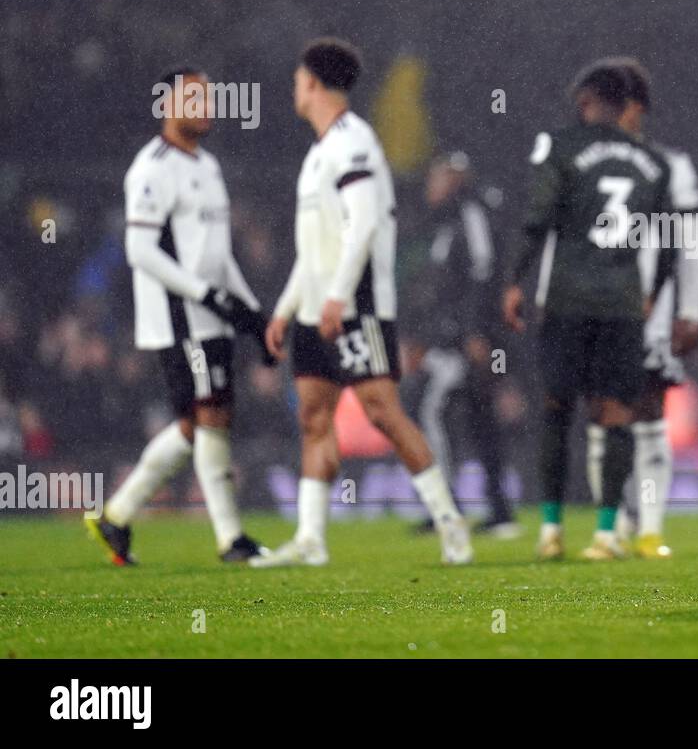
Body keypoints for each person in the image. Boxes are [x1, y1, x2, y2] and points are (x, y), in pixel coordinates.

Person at [252, 38, 472, 567]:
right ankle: (310, 539)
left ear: (312, 83)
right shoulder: (318, 154)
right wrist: (284, 309)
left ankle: (450, 523)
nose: (293, 89)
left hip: (358, 305)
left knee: (384, 412)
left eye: (297, 79)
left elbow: (364, 223)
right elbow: (313, 249)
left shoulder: (355, 143)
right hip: (315, 310)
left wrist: (339, 295)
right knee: (314, 419)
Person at [89, 67, 270, 565]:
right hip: (178, 319)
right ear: (167, 105)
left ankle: (117, 515)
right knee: (210, 415)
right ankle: (231, 539)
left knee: (198, 423)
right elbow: (140, 250)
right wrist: (204, 295)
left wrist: (251, 312)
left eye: (209, 97)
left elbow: (219, 254)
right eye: (194, 97)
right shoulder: (152, 167)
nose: (206, 105)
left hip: (209, 315)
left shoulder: (209, 166)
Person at [503, 59, 672, 561]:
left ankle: (551, 530)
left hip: (568, 299)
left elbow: (537, 218)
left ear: (587, 101)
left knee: (556, 411)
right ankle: (605, 534)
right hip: (622, 303)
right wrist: (652, 294)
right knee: (616, 415)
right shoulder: (655, 163)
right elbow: (669, 245)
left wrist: (514, 279)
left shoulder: (560, 147)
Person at [591, 58, 698, 559]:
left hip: (651, 312)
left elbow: (690, 244)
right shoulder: (585, 165)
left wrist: (693, 309)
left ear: (632, 109)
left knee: (648, 412)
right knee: (601, 415)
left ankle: (651, 529)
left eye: (603, 106)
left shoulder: (670, 166)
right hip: (593, 306)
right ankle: (609, 527)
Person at [402, 151, 518, 536]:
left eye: (438, 177)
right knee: (477, 419)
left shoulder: (470, 215)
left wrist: (474, 333)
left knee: (431, 409)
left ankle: (446, 504)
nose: (431, 186)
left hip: (463, 341)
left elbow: (483, 274)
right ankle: (496, 509)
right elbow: (436, 289)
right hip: (449, 337)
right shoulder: (444, 225)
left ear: (455, 179)